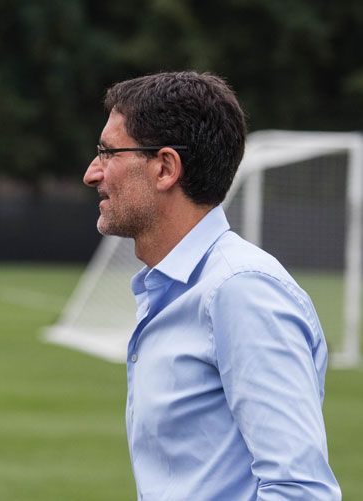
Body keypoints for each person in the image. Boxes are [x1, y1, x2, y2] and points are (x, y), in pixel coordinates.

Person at [83, 71, 340, 499]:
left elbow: (301, 490)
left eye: (108, 153)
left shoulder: (240, 291)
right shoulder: (175, 288)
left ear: (165, 168)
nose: (93, 173)